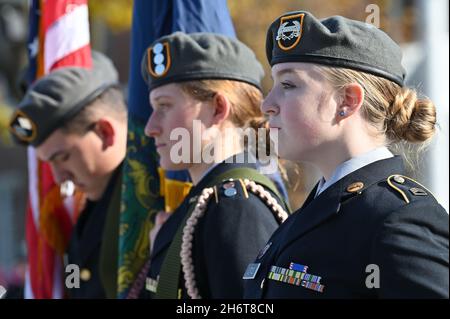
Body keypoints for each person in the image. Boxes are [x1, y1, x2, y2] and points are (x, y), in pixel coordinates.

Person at [243, 10, 449, 299]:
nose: (267, 104)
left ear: (347, 101)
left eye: (288, 85)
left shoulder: (398, 219)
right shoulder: (314, 211)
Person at [139, 32, 290, 299]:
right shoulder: (209, 201)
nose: (151, 128)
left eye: (164, 106)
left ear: (218, 108)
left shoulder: (236, 207)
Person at [9, 51, 127, 298]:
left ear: (105, 132)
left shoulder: (147, 202)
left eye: (62, 157)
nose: (59, 177)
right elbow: (75, 285)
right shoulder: (86, 210)